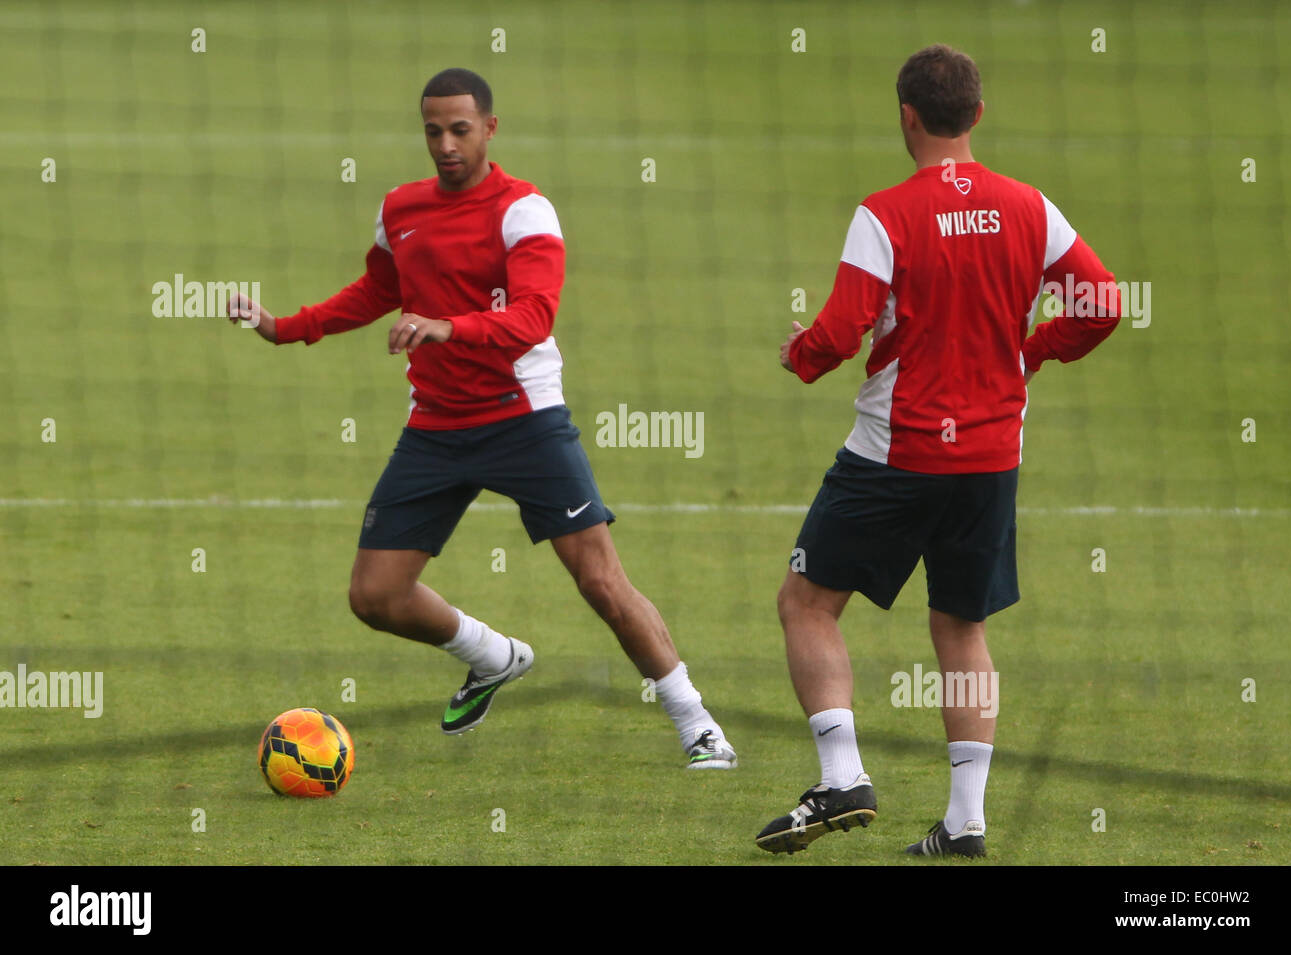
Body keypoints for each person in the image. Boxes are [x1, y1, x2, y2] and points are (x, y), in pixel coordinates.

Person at [228, 68, 736, 771]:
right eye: (433, 131)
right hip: (436, 424)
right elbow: (377, 290)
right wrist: (284, 326)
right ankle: (493, 656)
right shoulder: (401, 209)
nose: (445, 144)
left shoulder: (525, 210)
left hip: (524, 417)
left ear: (489, 129)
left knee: (599, 580)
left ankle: (697, 722)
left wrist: (449, 328)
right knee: (373, 595)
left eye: (460, 130)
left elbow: (533, 317)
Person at [756, 44, 1120, 854]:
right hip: (991, 460)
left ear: (907, 117)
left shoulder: (885, 213)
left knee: (807, 602)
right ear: (978, 116)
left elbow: (844, 326)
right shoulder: (1032, 207)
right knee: (961, 629)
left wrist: (800, 357)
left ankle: (843, 772)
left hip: (895, 454)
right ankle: (965, 820)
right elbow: (1103, 302)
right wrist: (1031, 354)